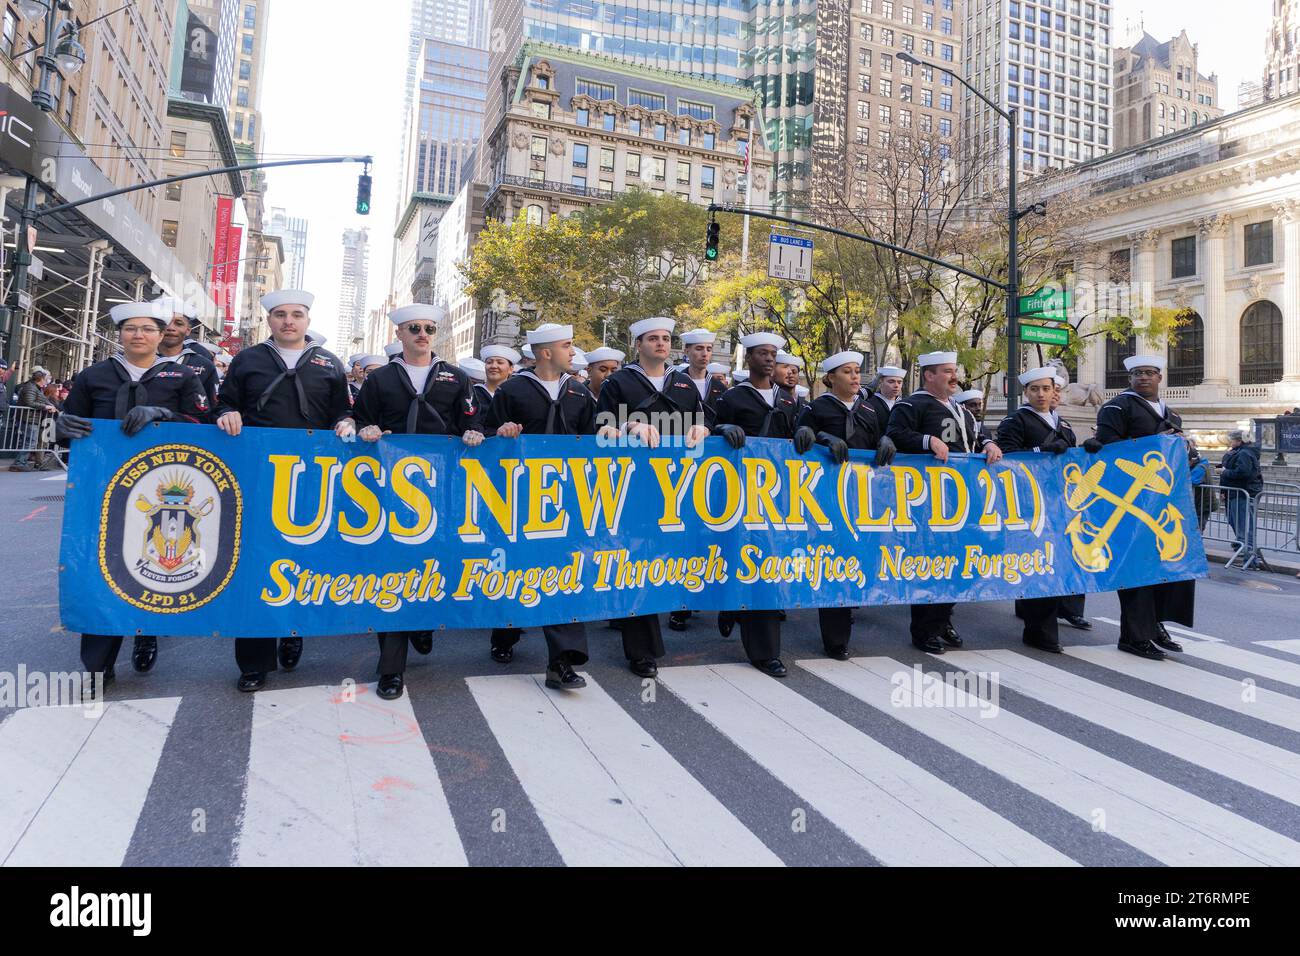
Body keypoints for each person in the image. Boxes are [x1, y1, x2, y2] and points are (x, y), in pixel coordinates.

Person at [60, 301, 211, 695]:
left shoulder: (180, 375)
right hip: (103, 484)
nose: (138, 335)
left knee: (150, 563)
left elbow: (204, 422)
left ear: (162, 335)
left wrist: (164, 413)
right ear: (119, 334)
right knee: (100, 566)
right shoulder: (94, 375)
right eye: (130, 328)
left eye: (147, 329)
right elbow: (70, 423)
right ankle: (98, 664)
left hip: (160, 490)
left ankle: (147, 634)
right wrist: (61, 424)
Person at [215, 289, 355, 691]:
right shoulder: (247, 359)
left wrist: (345, 422)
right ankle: (253, 662)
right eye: (280, 315)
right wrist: (227, 414)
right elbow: (222, 403)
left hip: (312, 477)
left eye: (296, 314)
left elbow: (342, 410)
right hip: (257, 475)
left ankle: (294, 632)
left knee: (304, 557)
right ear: (270, 321)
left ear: (307, 320)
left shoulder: (329, 362)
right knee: (256, 562)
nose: (288, 321)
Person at [352, 304, 485, 700]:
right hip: (390, 489)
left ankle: (423, 624)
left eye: (429, 328)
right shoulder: (382, 379)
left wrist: (475, 432)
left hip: (443, 490)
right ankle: (391, 669)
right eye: (415, 328)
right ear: (400, 334)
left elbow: (472, 420)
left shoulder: (456, 377)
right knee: (394, 569)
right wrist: (366, 430)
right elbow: (358, 419)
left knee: (434, 564)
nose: (423, 334)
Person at [485, 322, 617, 691]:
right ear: (545, 352)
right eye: (567, 345)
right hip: (521, 497)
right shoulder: (513, 389)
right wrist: (501, 433)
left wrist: (609, 431)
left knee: (564, 574)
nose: (573, 352)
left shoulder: (577, 391)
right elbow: (487, 432)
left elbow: (591, 435)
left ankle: (563, 662)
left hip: (567, 499)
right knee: (518, 569)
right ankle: (505, 634)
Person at [595, 317, 712, 673]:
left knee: (672, 559)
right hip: (632, 487)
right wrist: (629, 426)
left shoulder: (683, 383)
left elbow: (705, 421)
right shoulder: (619, 382)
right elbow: (599, 428)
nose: (662, 343)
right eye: (653, 338)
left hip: (677, 488)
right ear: (639, 344)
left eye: (666, 338)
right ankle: (641, 651)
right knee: (639, 562)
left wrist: (700, 427)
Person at [887, 351, 1004, 654]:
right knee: (933, 564)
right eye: (947, 371)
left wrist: (989, 444)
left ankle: (941, 621)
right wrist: (928, 442)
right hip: (930, 500)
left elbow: (977, 436)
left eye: (955, 371)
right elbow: (895, 434)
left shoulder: (960, 409)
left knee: (960, 563)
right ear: (929, 375)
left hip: (965, 500)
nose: (955, 377)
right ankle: (924, 630)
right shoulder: (912, 404)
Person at [1089, 354, 1193, 660]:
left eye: (1149, 373)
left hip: (1162, 502)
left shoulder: (1171, 413)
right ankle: (1133, 636)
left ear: (1160, 377)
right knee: (1136, 571)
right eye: (1137, 373)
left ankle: (1155, 624)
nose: (1143, 377)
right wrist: (1153, 442)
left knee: (1168, 568)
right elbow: (1108, 451)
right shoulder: (1116, 407)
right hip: (1129, 504)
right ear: (1129, 378)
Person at [796, 351, 897, 658]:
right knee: (834, 560)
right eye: (848, 372)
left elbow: (882, 438)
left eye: (857, 371)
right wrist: (818, 436)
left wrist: (886, 441)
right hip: (827, 500)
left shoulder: (869, 409)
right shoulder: (816, 408)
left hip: (863, 499)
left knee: (859, 555)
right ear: (831, 378)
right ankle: (836, 637)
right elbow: (800, 440)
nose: (855, 377)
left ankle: (848, 606)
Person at [711, 331, 799, 677]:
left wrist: (810, 435)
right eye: (762, 354)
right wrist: (723, 428)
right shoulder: (734, 397)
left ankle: (765, 652)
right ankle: (729, 604)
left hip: (778, 497)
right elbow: (711, 430)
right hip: (740, 493)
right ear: (748, 359)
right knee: (737, 560)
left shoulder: (789, 400)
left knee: (767, 569)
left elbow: (799, 434)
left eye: (773, 354)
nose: (769, 359)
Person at [997, 367, 1078, 653]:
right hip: (1030, 506)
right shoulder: (1015, 420)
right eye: (1035, 389)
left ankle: (1047, 624)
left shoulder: (1064, 424)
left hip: (1059, 504)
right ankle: (1039, 631)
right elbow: (1006, 457)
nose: (1041, 394)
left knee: (1054, 567)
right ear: (1026, 393)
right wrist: (1040, 452)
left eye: (1046, 388)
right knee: (1039, 567)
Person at [1049, 374, 1090, 630]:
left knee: (1072, 554)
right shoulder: (1018, 419)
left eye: (1056, 390)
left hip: (1065, 499)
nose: (1053, 394)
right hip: (1038, 502)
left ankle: (1072, 609)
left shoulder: (1064, 425)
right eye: (1047, 389)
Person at [154, 297, 220, 409]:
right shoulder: (139, 360)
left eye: (178, 324)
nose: (171, 328)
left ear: (188, 330)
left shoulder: (204, 365)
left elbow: (213, 408)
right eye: (166, 322)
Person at [1218, 428, 1263, 563]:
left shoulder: (1245, 453)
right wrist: (1223, 490)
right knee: (1235, 520)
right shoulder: (1238, 452)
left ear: (1239, 440)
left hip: (1243, 492)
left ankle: (1248, 552)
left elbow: (1243, 473)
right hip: (1235, 491)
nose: (1230, 442)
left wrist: (1224, 472)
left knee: (1243, 523)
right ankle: (1243, 545)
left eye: (1232, 439)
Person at [10, 366, 56, 471]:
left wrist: (49, 406)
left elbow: (42, 399)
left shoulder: (36, 388)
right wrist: (46, 407)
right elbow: (30, 402)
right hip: (28, 418)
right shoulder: (31, 387)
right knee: (29, 442)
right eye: (46, 378)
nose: (47, 380)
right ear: (41, 379)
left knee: (30, 442)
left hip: (31, 418)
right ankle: (20, 463)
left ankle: (20, 462)